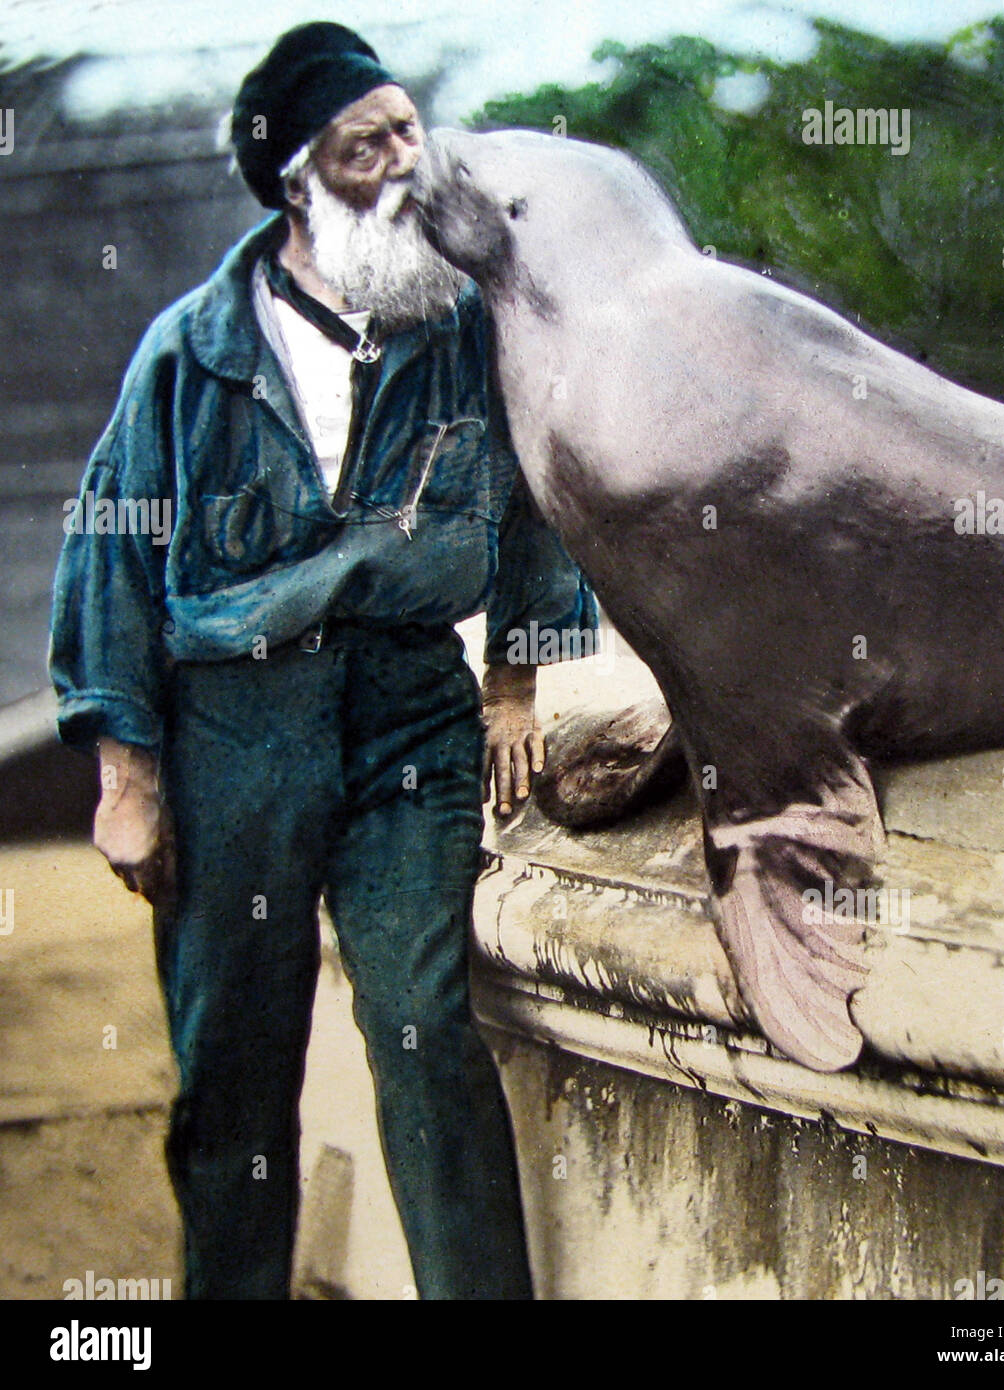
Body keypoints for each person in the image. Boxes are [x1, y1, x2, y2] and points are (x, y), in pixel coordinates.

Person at [48, 21, 596, 1300]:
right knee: (234, 1061)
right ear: (300, 178)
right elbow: (111, 553)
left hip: (411, 714)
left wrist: (515, 679)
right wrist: (125, 774)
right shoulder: (193, 350)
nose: (408, 161)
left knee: (425, 1027)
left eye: (412, 129)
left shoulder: (461, 323)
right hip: (235, 728)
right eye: (370, 145)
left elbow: (532, 493)